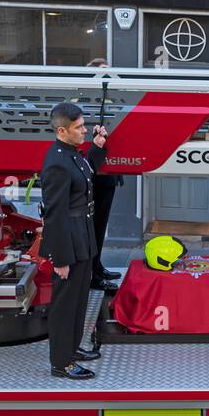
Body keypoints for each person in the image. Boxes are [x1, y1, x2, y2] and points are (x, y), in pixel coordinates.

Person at [40, 102, 102, 380]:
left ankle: (73, 348)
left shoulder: (73, 155)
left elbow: (87, 176)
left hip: (83, 236)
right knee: (65, 306)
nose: (84, 130)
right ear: (62, 130)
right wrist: (60, 258)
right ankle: (61, 363)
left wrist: (98, 148)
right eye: (79, 127)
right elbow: (54, 214)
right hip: (68, 240)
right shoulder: (56, 162)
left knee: (79, 300)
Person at [85, 124, 122, 293]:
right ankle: (94, 277)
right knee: (95, 230)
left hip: (106, 179)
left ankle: (97, 268)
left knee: (99, 229)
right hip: (96, 182)